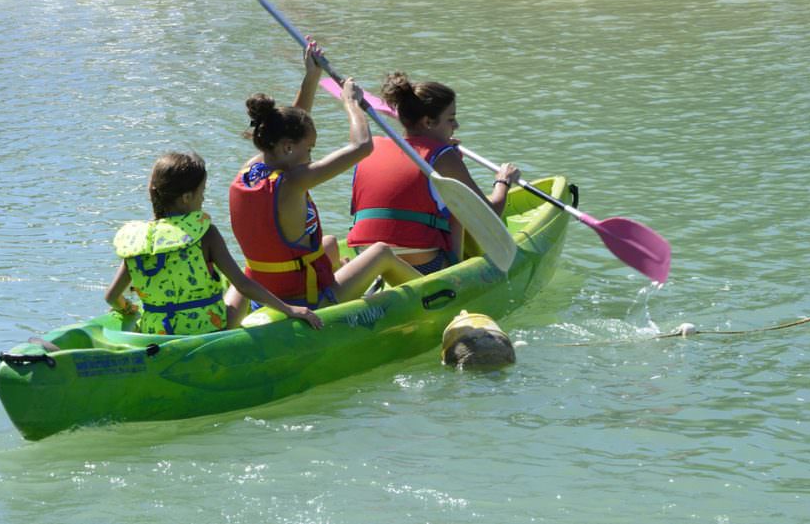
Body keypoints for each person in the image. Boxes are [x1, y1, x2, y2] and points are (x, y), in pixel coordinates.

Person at [224, 41, 423, 321]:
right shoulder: (294, 181)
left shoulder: (250, 170)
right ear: (288, 148)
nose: (310, 157)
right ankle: (433, 296)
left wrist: (312, 77)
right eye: (309, 150)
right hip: (308, 301)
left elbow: (291, 121)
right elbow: (362, 146)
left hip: (266, 291)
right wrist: (352, 104)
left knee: (328, 244)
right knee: (381, 252)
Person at [103, 152, 324, 335]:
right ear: (187, 198)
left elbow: (111, 297)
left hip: (155, 331)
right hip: (206, 328)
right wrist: (289, 309)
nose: (203, 199)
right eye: (202, 192)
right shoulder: (205, 233)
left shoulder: (138, 241)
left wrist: (129, 310)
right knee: (245, 277)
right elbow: (243, 286)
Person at [347, 73, 522, 272]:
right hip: (424, 264)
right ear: (428, 122)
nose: (456, 126)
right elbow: (489, 215)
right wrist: (503, 181)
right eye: (451, 119)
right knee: (457, 200)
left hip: (365, 255)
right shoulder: (444, 156)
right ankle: (457, 270)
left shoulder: (371, 146)